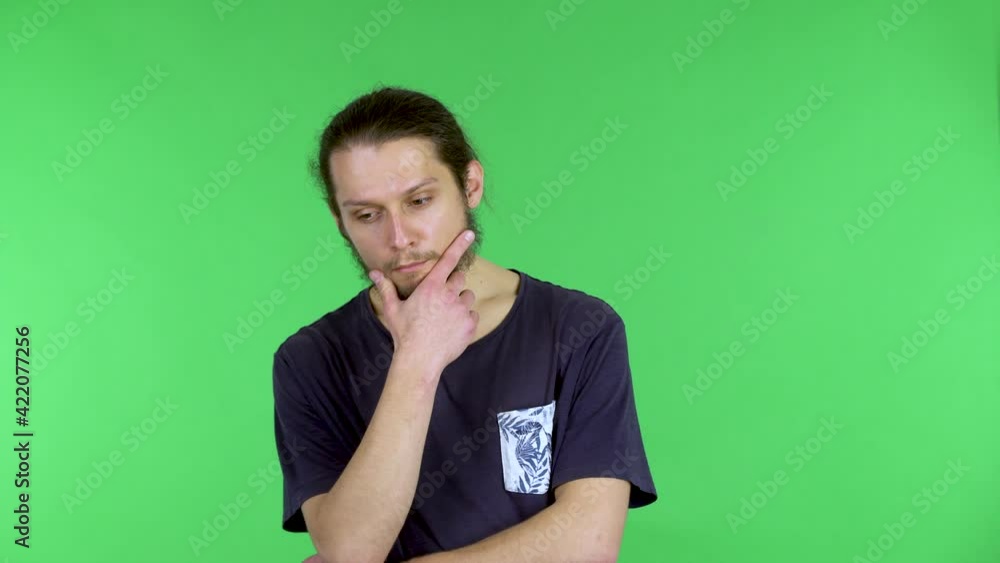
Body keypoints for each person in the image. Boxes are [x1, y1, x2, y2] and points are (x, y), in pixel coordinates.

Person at [272, 85, 658, 563]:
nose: (399, 238)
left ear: (470, 184)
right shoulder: (310, 359)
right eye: (367, 215)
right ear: (339, 220)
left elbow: (588, 545)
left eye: (419, 201)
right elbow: (350, 549)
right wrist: (416, 360)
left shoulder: (579, 329)